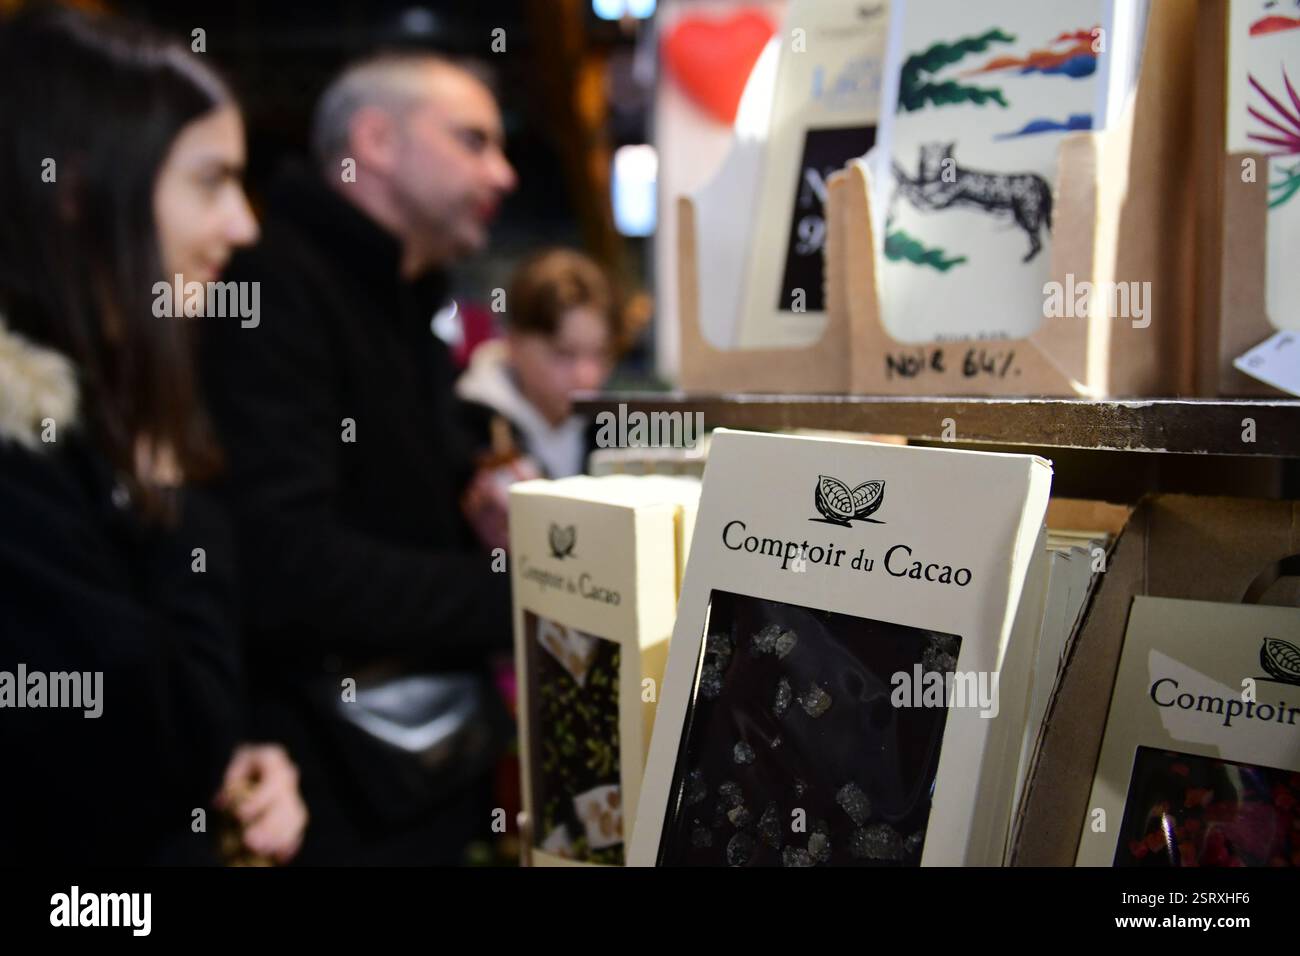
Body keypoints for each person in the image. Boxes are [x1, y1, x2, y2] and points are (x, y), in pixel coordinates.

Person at [0, 8, 306, 865]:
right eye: (210, 181)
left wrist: (240, 766)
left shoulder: (91, 407)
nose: (244, 226)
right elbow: (153, 751)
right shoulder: (26, 450)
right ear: (76, 187)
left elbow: (164, 722)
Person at [198, 51, 520, 864]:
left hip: (418, 771)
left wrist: (473, 488)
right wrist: (520, 595)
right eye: (473, 141)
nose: (505, 172)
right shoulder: (276, 288)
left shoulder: (404, 290)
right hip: (332, 794)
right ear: (375, 140)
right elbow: (282, 562)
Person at [457, 248, 621, 479]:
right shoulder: (464, 432)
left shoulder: (610, 432)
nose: (588, 376)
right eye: (564, 354)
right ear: (513, 343)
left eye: (600, 355)